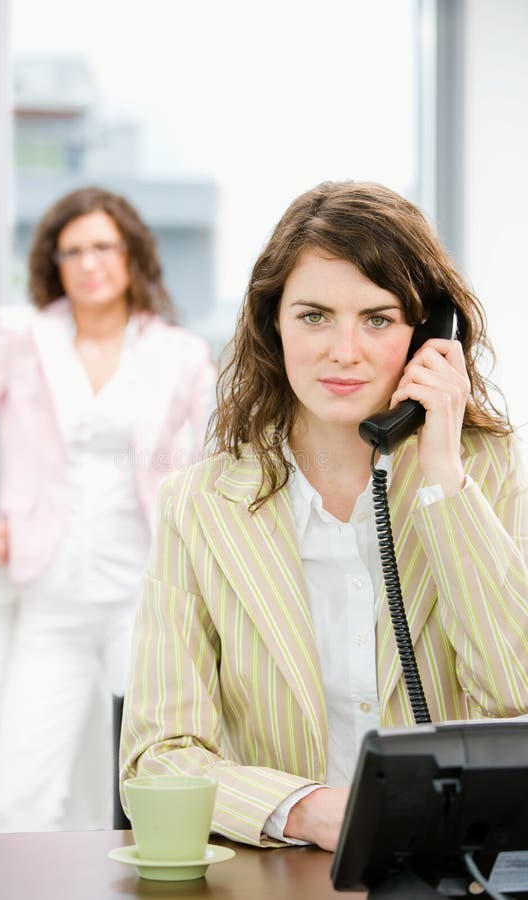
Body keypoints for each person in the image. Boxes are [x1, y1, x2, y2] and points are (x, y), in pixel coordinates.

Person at [119, 180, 528, 851]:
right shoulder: (198, 506)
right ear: (273, 324)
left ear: (429, 334)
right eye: (314, 316)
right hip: (282, 871)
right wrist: (305, 809)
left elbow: (516, 693)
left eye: (378, 318)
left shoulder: (481, 472)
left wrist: (443, 476)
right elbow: (156, 758)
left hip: (454, 866)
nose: (344, 350)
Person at [0, 186, 215, 831]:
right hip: (50, 593)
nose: (89, 263)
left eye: (103, 247)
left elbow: (216, 455)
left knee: (153, 784)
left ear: (132, 254)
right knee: (20, 797)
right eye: (73, 251)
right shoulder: (21, 336)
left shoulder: (178, 352)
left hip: (146, 591)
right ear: (53, 263)